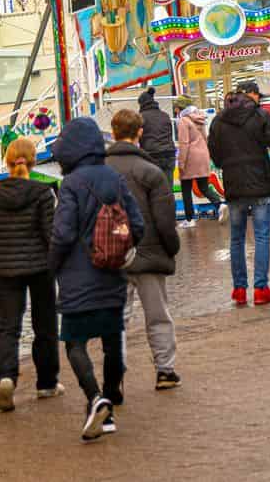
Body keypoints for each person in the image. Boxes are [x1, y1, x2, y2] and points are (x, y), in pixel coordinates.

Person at [49, 116, 147, 441]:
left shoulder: (71, 184)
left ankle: (95, 398)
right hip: (112, 275)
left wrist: (53, 266)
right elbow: (138, 224)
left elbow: (62, 234)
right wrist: (121, 249)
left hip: (78, 279)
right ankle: (109, 410)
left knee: (75, 343)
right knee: (111, 341)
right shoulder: (114, 178)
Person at [0, 135, 61, 411]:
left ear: (8, 160)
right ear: (34, 160)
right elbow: (50, 234)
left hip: (6, 268)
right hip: (40, 267)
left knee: (8, 327)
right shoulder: (43, 192)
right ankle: (47, 383)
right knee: (45, 326)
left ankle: (6, 377)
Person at [105, 108, 183, 391]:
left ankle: (115, 374)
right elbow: (165, 219)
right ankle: (165, 370)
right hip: (149, 254)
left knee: (117, 319)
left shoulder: (100, 171)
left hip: (112, 254)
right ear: (140, 133)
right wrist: (170, 248)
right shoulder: (151, 172)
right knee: (158, 315)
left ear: (113, 132)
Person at [208, 80, 270, 305]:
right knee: (262, 236)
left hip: (234, 184)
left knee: (236, 238)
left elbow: (214, 155)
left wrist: (230, 164)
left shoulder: (218, 120)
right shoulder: (260, 115)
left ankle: (239, 289)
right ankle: (261, 288)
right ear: (251, 95)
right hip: (260, 180)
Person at [175, 101, 223, 224]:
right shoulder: (199, 118)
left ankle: (189, 219)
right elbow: (205, 138)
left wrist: (181, 163)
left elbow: (184, 143)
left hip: (190, 158)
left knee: (186, 189)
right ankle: (220, 205)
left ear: (179, 109)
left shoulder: (183, 121)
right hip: (203, 155)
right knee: (204, 187)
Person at [136, 87, 178, 179]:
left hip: (152, 155)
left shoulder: (141, 117)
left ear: (142, 104)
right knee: (167, 189)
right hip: (169, 155)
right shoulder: (165, 115)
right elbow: (170, 135)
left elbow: (139, 137)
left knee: (154, 189)